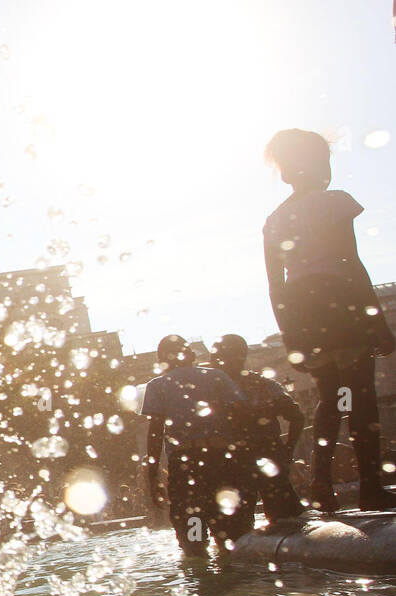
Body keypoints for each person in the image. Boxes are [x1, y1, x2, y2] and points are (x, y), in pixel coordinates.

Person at [263, 129, 396, 511]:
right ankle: (371, 485)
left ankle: (321, 485)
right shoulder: (334, 202)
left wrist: (290, 337)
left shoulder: (274, 219)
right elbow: (351, 262)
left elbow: (276, 286)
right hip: (338, 301)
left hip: (303, 310)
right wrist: (377, 321)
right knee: (360, 396)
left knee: (330, 398)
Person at [141, 336, 252, 556]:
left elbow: (155, 432)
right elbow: (240, 417)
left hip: (186, 465)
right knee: (231, 532)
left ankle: (200, 574)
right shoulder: (216, 376)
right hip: (221, 459)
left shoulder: (157, 385)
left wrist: (153, 476)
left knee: (193, 538)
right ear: (190, 354)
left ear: (161, 360)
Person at [209, 334, 304, 522]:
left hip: (233, 461)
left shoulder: (211, 391)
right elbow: (297, 417)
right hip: (269, 457)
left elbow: (297, 417)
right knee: (287, 517)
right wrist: (287, 450)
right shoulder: (265, 385)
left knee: (236, 525)